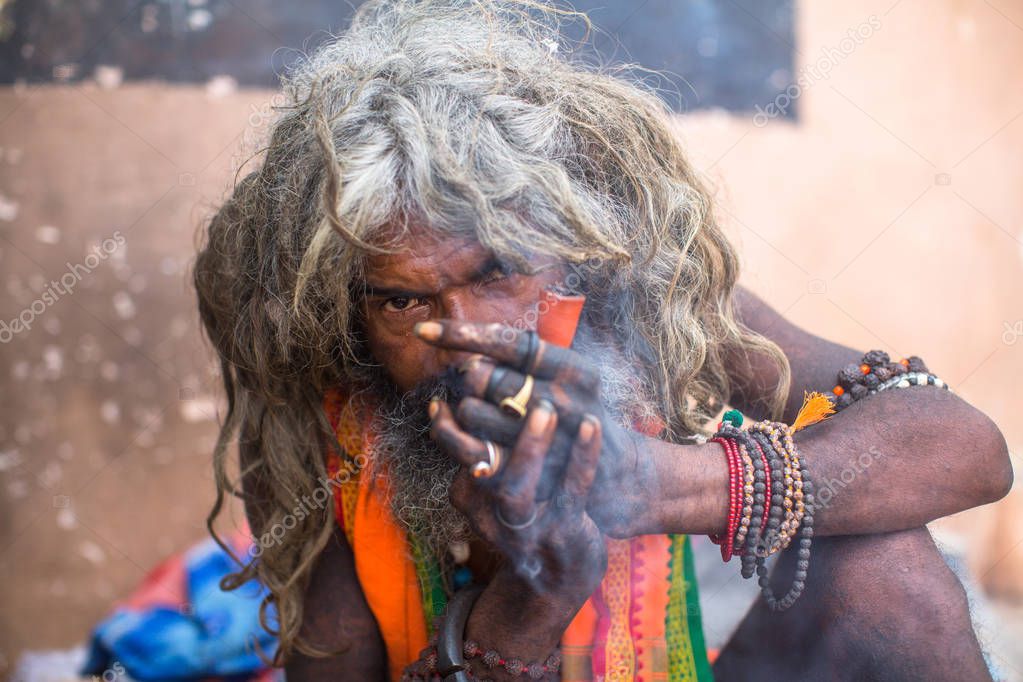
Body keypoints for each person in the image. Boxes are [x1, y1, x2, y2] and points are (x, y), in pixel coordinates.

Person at [193, 1, 1012, 679]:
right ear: (350, 315)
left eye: (498, 272)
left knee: (884, 569)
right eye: (403, 302)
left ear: (565, 250)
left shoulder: (650, 313)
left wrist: (662, 484)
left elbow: (966, 449)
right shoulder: (318, 428)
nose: (467, 339)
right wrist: (526, 608)